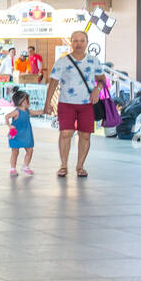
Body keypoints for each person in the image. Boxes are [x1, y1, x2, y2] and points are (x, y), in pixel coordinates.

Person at [45, 30, 107, 177]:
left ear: (87, 43)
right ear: (71, 43)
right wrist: (47, 103)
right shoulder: (62, 61)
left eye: (82, 41)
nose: (78, 44)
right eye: (75, 41)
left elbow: (102, 79)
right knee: (66, 133)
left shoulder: (93, 61)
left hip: (87, 104)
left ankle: (80, 166)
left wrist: (97, 90)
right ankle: (63, 165)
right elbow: (53, 82)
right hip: (66, 103)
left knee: (85, 135)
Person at [6, 88, 38, 171]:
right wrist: (10, 126)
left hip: (26, 135)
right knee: (15, 152)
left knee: (30, 150)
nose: (29, 102)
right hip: (16, 134)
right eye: (28, 100)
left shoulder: (27, 111)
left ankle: (25, 166)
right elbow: (7, 116)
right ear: (23, 101)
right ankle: (13, 168)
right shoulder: (16, 112)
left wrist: (46, 111)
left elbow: (37, 112)